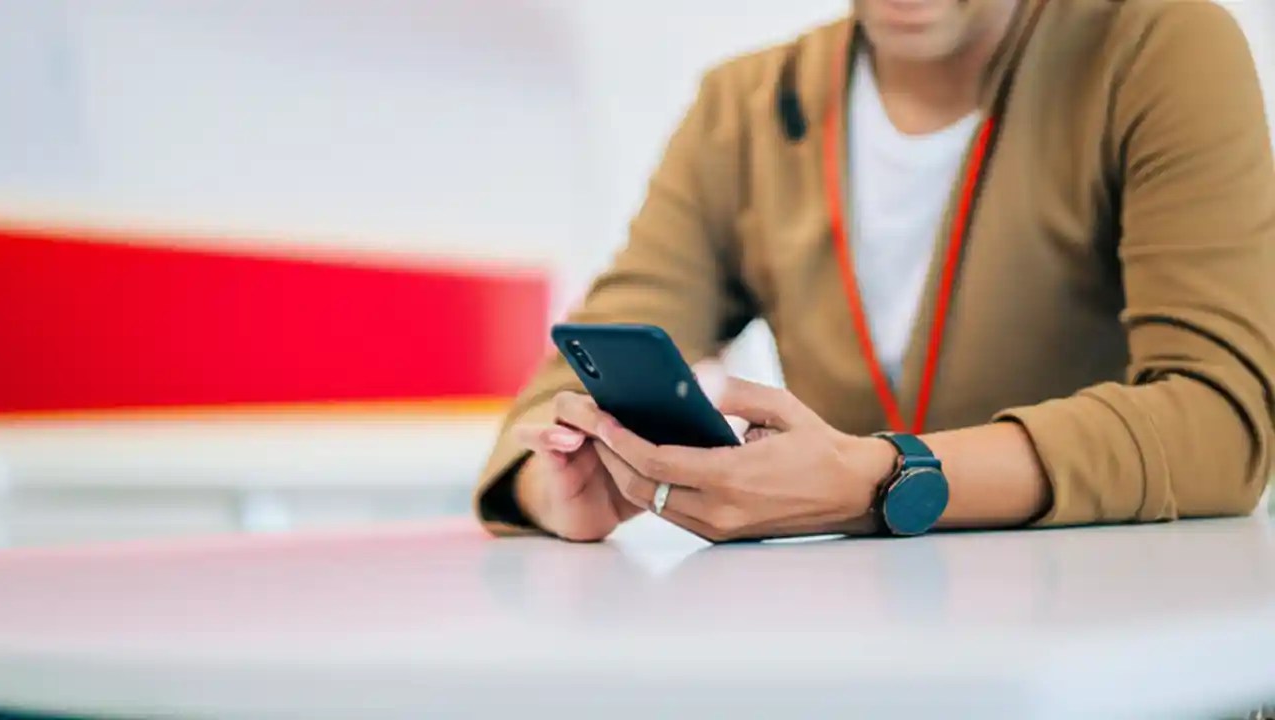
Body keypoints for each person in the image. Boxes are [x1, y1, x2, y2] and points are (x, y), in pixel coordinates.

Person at [475, 0, 1275, 542]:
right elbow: (557, 397)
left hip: (1113, 645)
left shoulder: (1154, 44)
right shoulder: (745, 107)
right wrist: (564, 489)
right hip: (874, 653)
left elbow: (1224, 421)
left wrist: (885, 478)